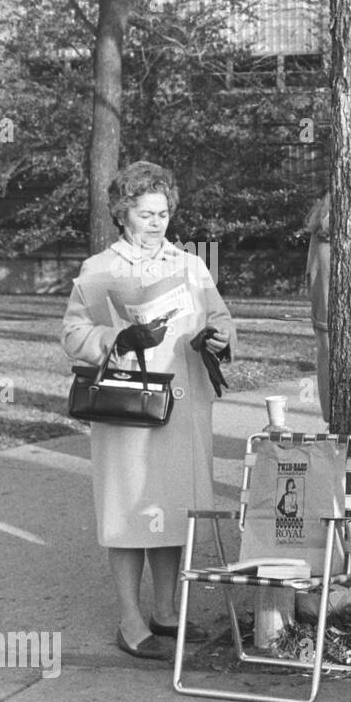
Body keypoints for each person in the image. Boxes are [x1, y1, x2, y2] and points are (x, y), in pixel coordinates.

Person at [62, 160, 236, 662]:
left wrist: (220, 335)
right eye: (145, 213)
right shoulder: (100, 269)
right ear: (123, 214)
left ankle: (166, 612)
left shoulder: (192, 266)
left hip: (182, 406)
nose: (156, 222)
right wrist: (116, 338)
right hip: (126, 409)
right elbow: (72, 335)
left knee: (174, 506)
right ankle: (129, 619)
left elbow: (221, 317)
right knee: (128, 511)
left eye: (162, 212)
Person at [304, 192, 332, 421]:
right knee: (329, 356)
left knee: (325, 357)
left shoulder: (318, 232)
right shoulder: (328, 235)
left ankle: (330, 416)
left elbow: (311, 272)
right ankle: (333, 416)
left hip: (321, 306)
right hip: (328, 305)